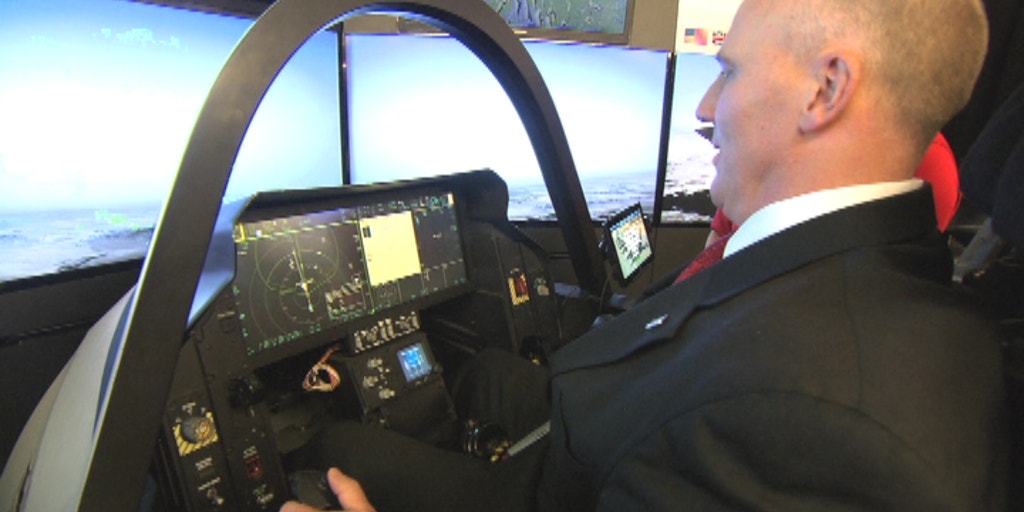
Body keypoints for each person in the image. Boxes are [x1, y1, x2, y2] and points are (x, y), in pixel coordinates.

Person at [284, 0, 1007, 510]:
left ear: (827, 88)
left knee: (336, 445)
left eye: (729, 72)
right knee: (479, 372)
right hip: (590, 433)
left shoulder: (828, 423)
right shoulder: (870, 262)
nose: (704, 108)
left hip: (562, 484)